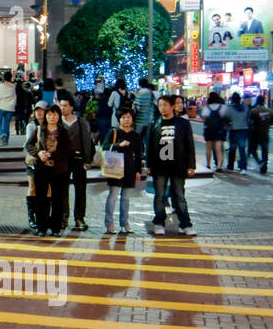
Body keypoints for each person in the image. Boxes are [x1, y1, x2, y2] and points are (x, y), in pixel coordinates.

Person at [147, 95, 197, 236]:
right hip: (159, 166)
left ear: (172, 107)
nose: (162, 108)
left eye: (165, 105)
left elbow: (189, 145)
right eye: (160, 105)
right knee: (159, 196)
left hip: (178, 165)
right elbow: (150, 147)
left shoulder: (183, 124)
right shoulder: (155, 124)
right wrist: (149, 165)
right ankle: (159, 223)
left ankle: (185, 224)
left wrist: (191, 165)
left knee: (179, 196)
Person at [27, 105, 72, 236]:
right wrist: (39, 153)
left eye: (55, 114)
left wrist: (51, 155)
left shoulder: (64, 131)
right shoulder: (39, 129)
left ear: (59, 116)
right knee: (41, 198)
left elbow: (66, 150)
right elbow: (28, 145)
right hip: (41, 168)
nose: (52, 117)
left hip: (59, 169)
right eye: (49, 114)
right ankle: (42, 227)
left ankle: (56, 227)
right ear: (46, 116)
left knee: (58, 198)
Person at [101, 107, 145, 235]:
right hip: (115, 168)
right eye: (123, 117)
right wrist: (118, 145)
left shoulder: (135, 135)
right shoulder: (114, 132)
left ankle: (125, 223)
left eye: (129, 117)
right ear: (119, 119)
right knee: (113, 196)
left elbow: (139, 154)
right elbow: (104, 146)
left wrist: (138, 171)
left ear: (132, 119)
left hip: (130, 169)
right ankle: (109, 224)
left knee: (126, 198)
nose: (126, 120)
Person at [57, 93, 95, 229]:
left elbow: (87, 142)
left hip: (78, 159)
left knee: (80, 189)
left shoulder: (80, 122)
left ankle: (79, 218)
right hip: (62, 160)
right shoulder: (57, 122)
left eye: (65, 106)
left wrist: (87, 160)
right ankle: (63, 217)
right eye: (60, 105)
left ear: (71, 107)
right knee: (62, 189)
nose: (62, 108)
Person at [22, 104, 47, 232]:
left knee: (47, 190)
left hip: (47, 161)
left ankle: (44, 217)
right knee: (32, 188)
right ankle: (31, 217)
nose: (39, 113)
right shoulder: (31, 126)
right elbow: (29, 143)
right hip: (34, 161)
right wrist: (39, 153)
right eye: (37, 111)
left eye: (41, 111)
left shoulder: (50, 125)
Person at [249, 93, 273, 175]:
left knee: (253, 150)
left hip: (255, 133)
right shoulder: (269, 111)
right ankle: (264, 165)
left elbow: (250, 123)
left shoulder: (253, 111)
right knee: (265, 151)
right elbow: (272, 121)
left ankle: (260, 162)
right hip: (265, 133)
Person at [224, 92, 250, 173]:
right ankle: (243, 167)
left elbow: (226, 119)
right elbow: (248, 119)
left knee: (233, 149)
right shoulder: (245, 108)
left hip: (234, 130)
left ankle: (230, 166)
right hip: (244, 130)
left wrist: (228, 126)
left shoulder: (230, 108)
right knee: (242, 149)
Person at [201, 91, 227, 170]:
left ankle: (208, 164)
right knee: (218, 148)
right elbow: (225, 117)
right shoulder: (222, 107)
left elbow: (204, 119)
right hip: (219, 130)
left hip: (208, 129)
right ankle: (219, 166)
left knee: (208, 148)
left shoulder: (206, 108)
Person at [0, 72, 17, 146]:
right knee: (7, 124)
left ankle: (2, 134)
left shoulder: (0, 86)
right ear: (10, 78)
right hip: (10, 108)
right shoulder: (13, 87)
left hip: (0, 107)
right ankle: (6, 141)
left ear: (3, 78)